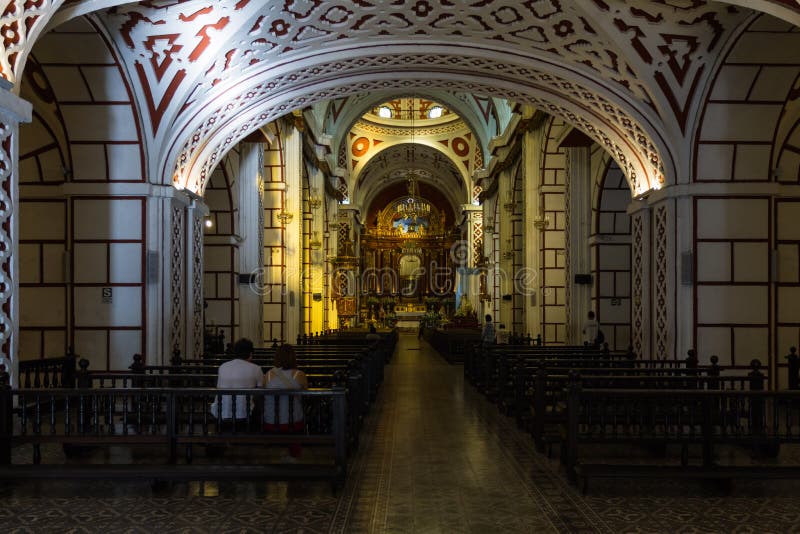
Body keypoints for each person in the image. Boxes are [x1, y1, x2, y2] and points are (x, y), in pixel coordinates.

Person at [263, 344, 308, 458]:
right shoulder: (299, 375)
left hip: (271, 421)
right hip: (293, 422)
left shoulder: (268, 375)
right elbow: (306, 395)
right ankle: (295, 454)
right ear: (294, 357)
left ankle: (274, 456)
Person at [211, 338, 264, 428]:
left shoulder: (223, 367)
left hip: (221, 415)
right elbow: (262, 391)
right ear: (250, 353)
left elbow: (219, 387)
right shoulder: (256, 369)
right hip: (244, 417)